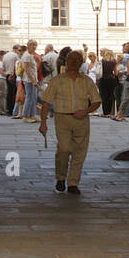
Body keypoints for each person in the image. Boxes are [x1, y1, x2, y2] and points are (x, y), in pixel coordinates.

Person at [38, 49, 101, 194]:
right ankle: (60, 177)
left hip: (82, 119)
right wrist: (43, 123)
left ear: (80, 63)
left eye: (76, 60)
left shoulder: (87, 81)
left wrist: (85, 111)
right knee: (64, 149)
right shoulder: (57, 81)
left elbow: (97, 101)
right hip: (63, 118)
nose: (73, 62)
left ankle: (73, 183)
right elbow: (46, 103)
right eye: (71, 60)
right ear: (66, 62)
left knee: (80, 152)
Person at [20, 43, 40, 122]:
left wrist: (38, 62)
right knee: (29, 97)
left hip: (33, 79)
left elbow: (34, 69)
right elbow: (26, 68)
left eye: (35, 45)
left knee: (33, 97)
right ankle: (26, 115)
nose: (34, 47)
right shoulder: (27, 55)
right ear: (28, 46)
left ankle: (32, 114)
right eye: (32, 45)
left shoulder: (31, 55)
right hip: (29, 80)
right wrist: (33, 80)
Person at [113, 42, 129, 121]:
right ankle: (120, 115)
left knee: (125, 98)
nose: (124, 48)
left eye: (126, 47)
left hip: (128, 80)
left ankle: (120, 115)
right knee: (126, 98)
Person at [98, 49, 117, 117]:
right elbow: (116, 73)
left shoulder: (102, 61)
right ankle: (109, 112)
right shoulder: (114, 61)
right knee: (110, 96)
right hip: (111, 80)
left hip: (103, 79)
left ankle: (105, 112)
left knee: (104, 96)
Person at [3, 44, 21, 116]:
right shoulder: (15, 56)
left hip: (7, 75)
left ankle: (8, 109)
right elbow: (17, 66)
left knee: (9, 93)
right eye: (19, 50)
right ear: (16, 49)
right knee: (14, 93)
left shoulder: (5, 55)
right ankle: (13, 109)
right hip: (13, 75)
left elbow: (3, 67)